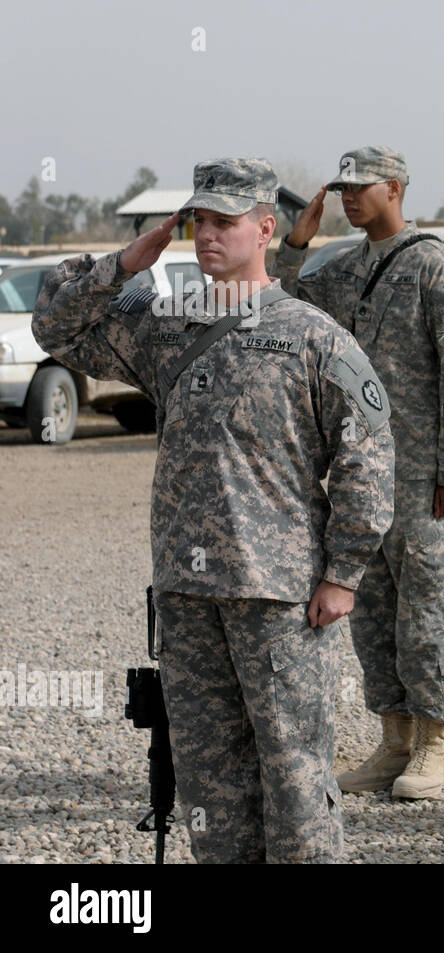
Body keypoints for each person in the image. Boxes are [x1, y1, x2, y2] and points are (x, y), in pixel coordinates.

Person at [32, 157, 395, 862]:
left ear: (266, 229)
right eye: (199, 219)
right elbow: (56, 329)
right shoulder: (166, 326)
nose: (207, 234)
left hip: (279, 594)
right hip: (187, 595)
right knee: (208, 782)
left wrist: (345, 572)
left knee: (294, 773)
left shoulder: (313, 337)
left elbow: (369, 452)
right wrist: (125, 263)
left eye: (226, 221)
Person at [272, 146, 444, 799]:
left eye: (361, 187)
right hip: (362, 470)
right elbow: (287, 302)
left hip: (423, 473)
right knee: (374, 612)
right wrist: (296, 241)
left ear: (394, 188)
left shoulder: (436, 268)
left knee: (426, 609)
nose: (348, 198)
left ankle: (434, 744)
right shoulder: (348, 269)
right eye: (341, 188)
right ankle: (394, 742)